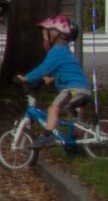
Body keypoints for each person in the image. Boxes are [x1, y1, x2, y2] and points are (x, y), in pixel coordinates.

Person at [16, 15, 90, 143]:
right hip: (81, 88)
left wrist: (26, 78)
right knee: (71, 113)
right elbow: (64, 72)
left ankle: (47, 135)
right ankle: (75, 140)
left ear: (56, 35)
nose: (44, 40)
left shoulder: (57, 51)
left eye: (45, 36)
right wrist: (49, 80)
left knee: (53, 109)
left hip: (73, 89)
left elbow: (43, 69)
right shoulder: (64, 51)